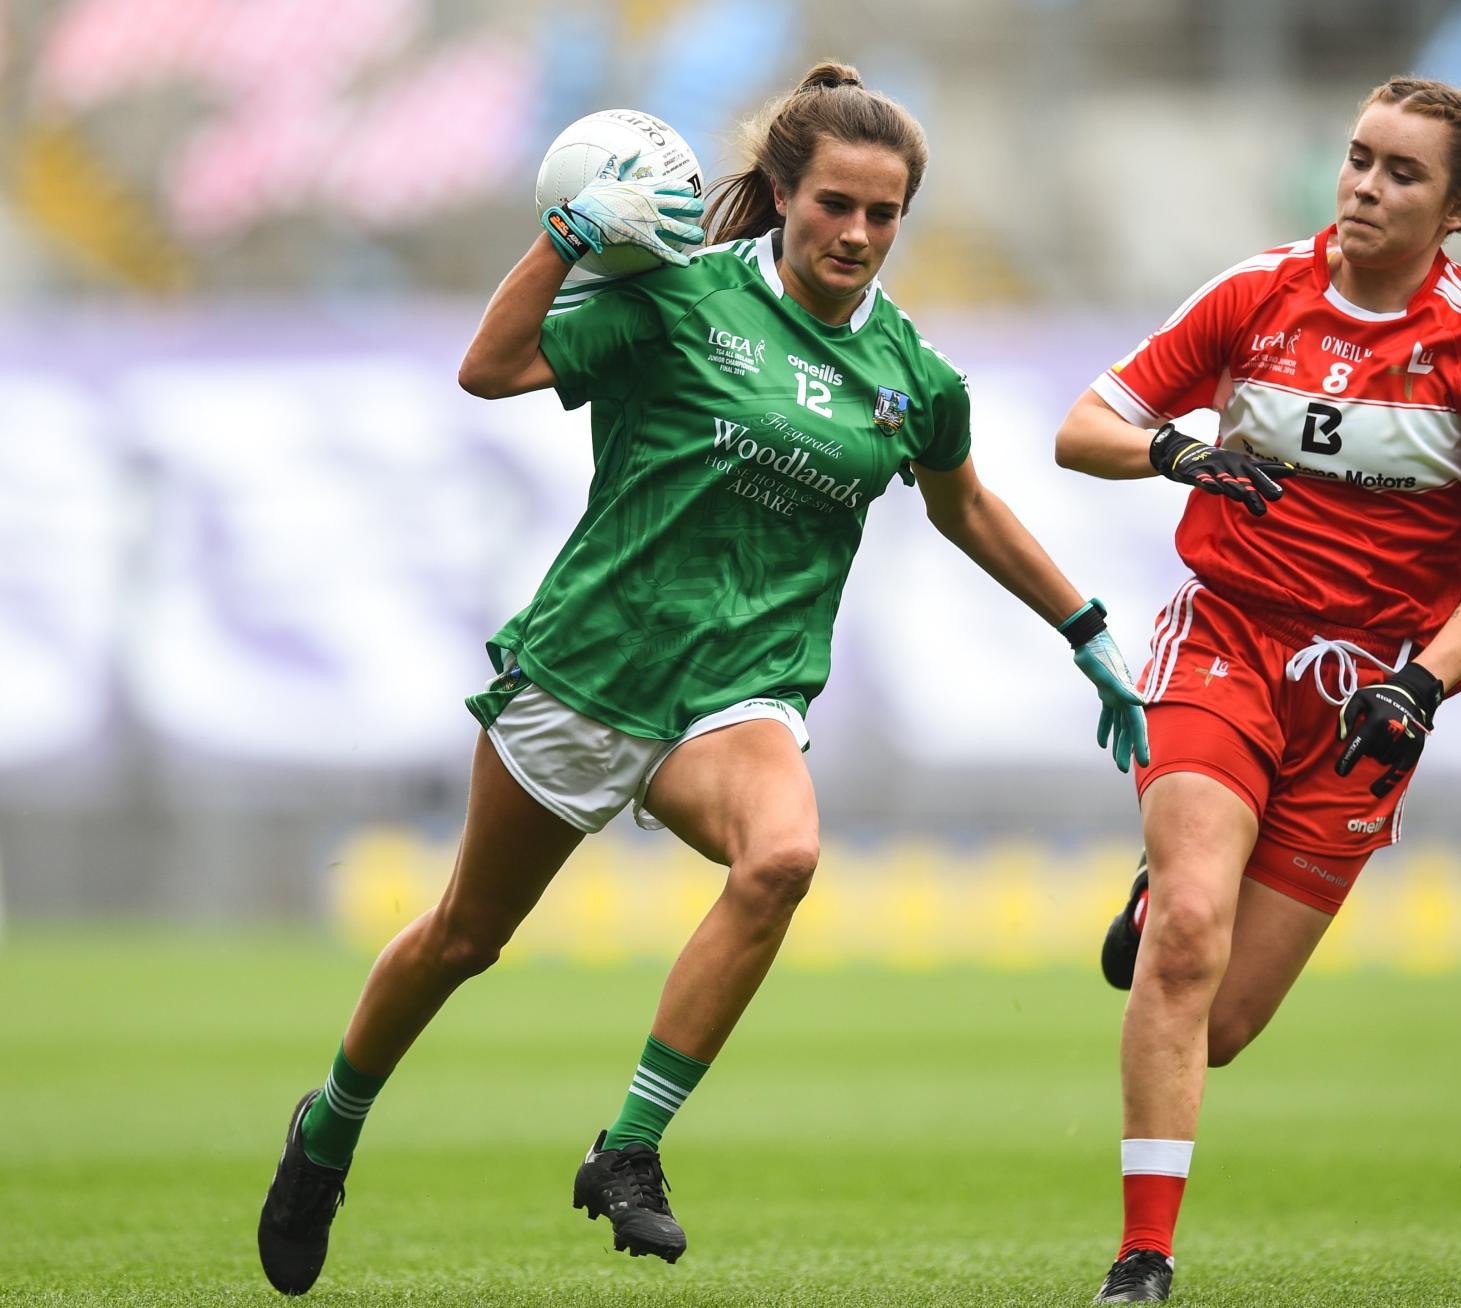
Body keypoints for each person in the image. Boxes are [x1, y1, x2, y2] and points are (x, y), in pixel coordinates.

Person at [255, 60, 1151, 1296]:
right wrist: (566, 237)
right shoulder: (675, 299)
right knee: (466, 935)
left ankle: (628, 1147)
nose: (858, 234)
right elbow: (491, 368)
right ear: (783, 193)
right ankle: (328, 1130)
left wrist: (1086, 627)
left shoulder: (910, 376)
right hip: (591, 664)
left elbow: (968, 507)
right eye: (836, 203)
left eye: (885, 214)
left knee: (781, 857)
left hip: (740, 692)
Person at [1054, 76, 1461, 1303]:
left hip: (1366, 708)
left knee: (1222, 1022)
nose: (1363, 185)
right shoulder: (1257, 294)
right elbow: (1080, 426)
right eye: (1357, 159)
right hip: (1225, 642)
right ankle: (1144, 1257)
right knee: (1194, 933)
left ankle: (1158, 909)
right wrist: (1177, 449)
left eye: (1401, 174)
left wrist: (1423, 684)